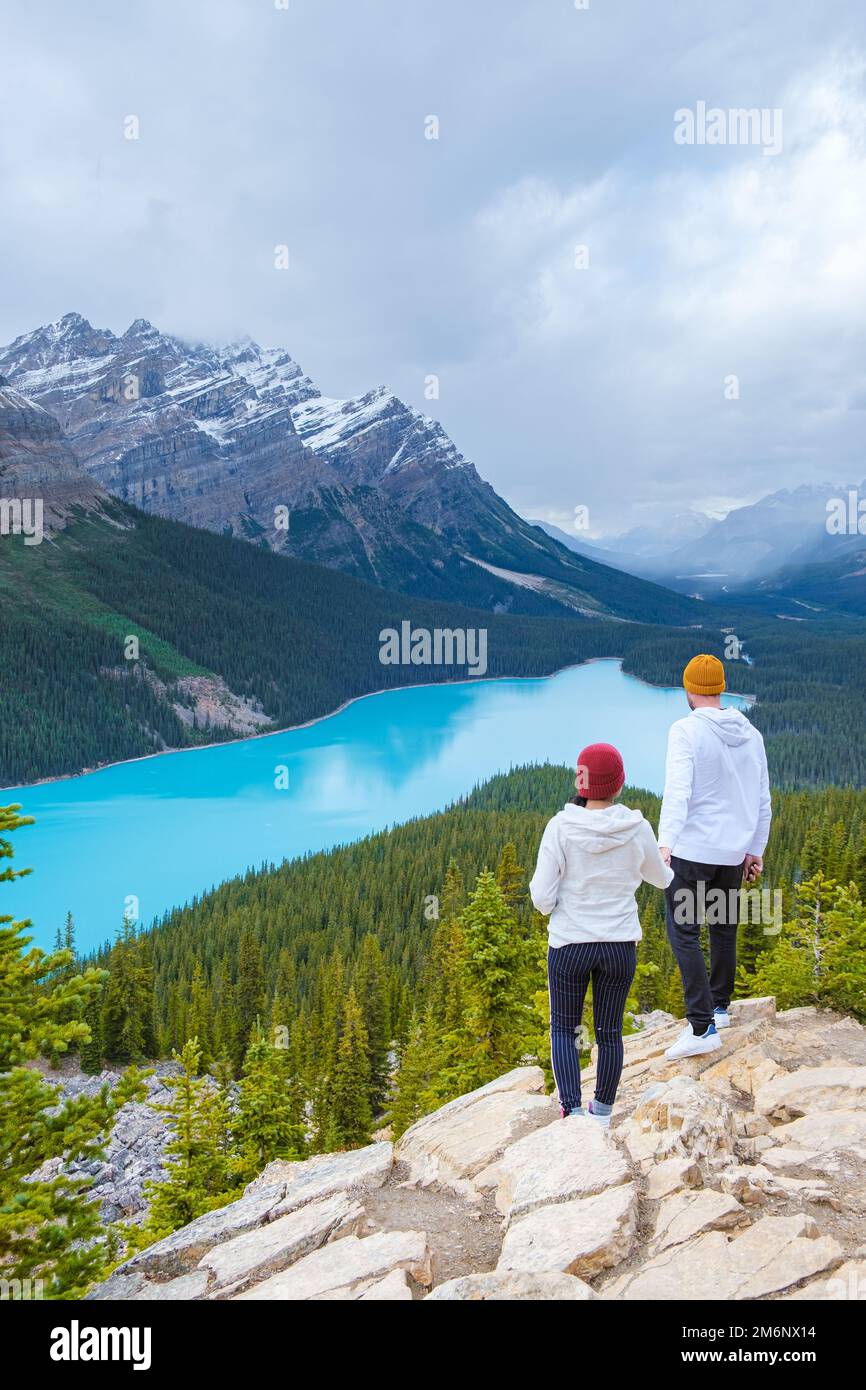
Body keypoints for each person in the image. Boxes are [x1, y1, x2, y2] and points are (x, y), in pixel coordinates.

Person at [530, 742, 673, 1126]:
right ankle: (603, 1114)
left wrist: (563, 902)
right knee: (609, 1031)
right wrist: (663, 859)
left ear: (580, 782)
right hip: (619, 944)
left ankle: (572, 1110)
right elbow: (660, 880)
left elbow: (541, 897)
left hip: (570, 945)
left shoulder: (559, 827)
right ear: (619, 785)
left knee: (565, 1027)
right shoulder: (637, 827)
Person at [658, 654, 771, 1061]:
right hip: (730, 854)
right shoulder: (751, 734)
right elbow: (762, 800)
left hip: (691, 853)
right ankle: (720, 1008)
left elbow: (678, 790)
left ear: (689, 690)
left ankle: (702, 1026)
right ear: (720, 688)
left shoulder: (685, 731)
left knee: (683, 931)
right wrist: (755, 849)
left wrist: (664, 843)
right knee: (723, 927)